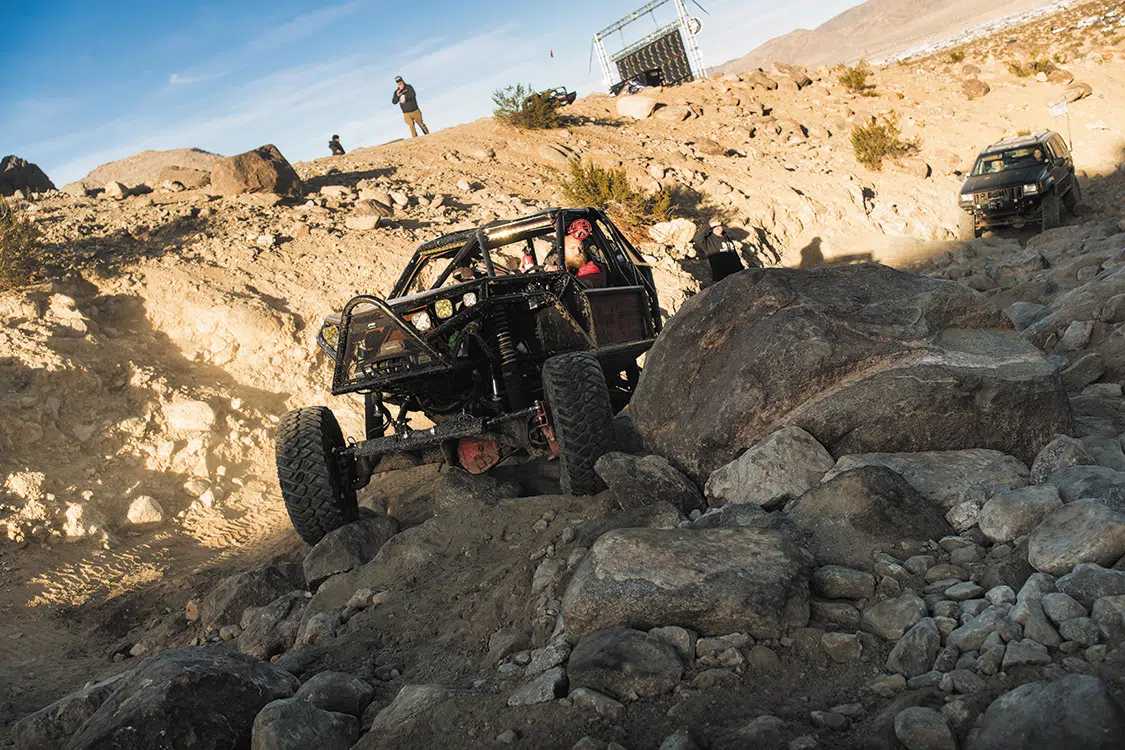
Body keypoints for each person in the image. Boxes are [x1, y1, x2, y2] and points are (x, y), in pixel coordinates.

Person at [693, 218, 746, 283]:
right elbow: (697, 238)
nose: (717, 228)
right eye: (714, 227)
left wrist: (741, 269)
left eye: (719, 226)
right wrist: (708, 225)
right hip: (722, 279)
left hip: (736, 275)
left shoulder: (726, 237)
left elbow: (735, 254)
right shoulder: (708, 241)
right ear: (711, 228)